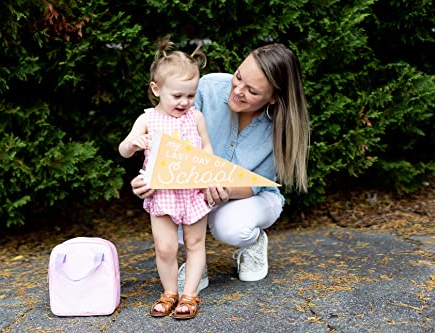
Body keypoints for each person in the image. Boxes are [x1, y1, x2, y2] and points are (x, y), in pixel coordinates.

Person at [130, 43, 310, 290]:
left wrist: (224, 188)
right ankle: (196, 262)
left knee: (231, 227)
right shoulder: (207, 87)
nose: (237, 90)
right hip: (196, 190)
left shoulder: (279, 127)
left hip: (250, 197)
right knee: (173, 210)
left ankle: (254, 243)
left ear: (273, 98)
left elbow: (259, 184)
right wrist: (152, 177)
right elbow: (169, 138)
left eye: (252, 91)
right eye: (238, 77)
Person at [118, 39, 213, 319]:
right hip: (160, 192)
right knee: (165, 246)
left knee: (195, 244)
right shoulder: (147, 119)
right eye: (177, 96)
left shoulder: (195, 118)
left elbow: (207, 147)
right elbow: (124, 151)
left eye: (191, 96)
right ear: (156, 89)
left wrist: (208, 172)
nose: (184, 102)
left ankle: (190, 294)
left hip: (193, 190)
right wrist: (133, 143)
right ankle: (170, 291)